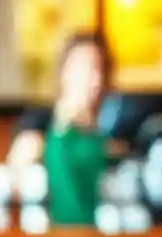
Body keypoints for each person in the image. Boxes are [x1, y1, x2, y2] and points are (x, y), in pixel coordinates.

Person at [40, 33, 114, 226]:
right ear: (64, 72)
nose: (95, 79)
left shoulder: (109, 128)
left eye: (100, 69)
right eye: (86, 68)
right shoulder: (42, 126)